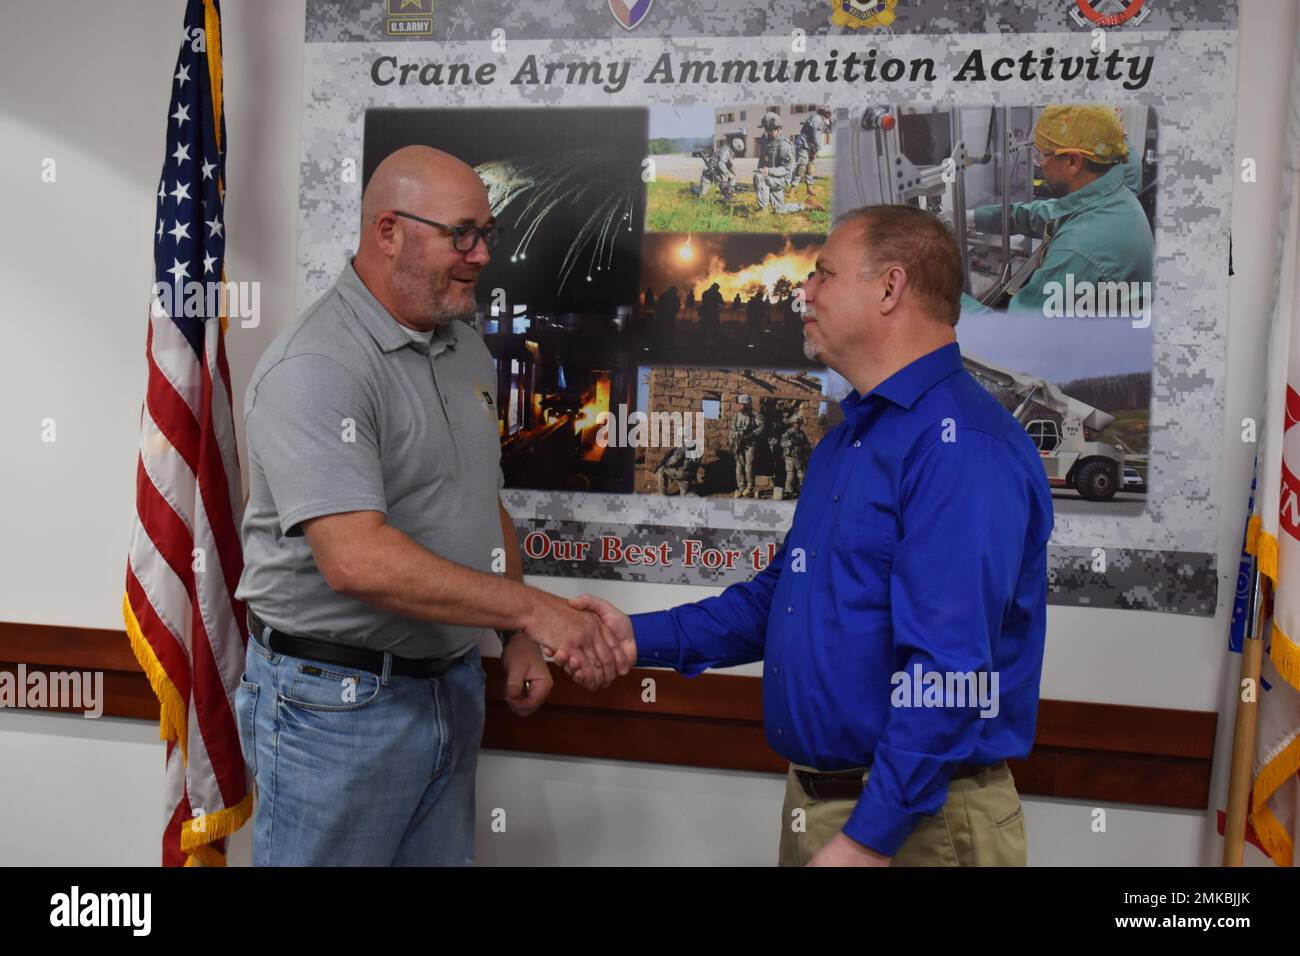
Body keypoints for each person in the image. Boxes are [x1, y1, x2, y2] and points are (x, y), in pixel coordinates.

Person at [572, 205, 1053, 867]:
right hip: (827, 806)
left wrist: (868, 838)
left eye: (824, 274)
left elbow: (949, 673)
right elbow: (782, 601)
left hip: (915, 823)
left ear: (890, 288)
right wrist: (633, 637)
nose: (805, 290)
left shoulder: (959, 445)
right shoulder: (850, 437)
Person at [234, 145, 630, 867]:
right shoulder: (317, 367)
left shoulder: (466, 348)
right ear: (389, 231)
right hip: (337, 704)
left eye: (486, 233)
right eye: (462, 234)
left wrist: (510, 636)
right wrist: (529, 612)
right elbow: (354, 558)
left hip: (449, 687)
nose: (482, 255)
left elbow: (479, 503)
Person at [965, 103, 1154, 314]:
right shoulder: (1114, 198)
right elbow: (1046, 214)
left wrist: (943, 299)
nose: (1039, 164)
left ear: (1073, 161)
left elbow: (1012, 335)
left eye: (1041, 155)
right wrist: (972, 217)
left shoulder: (1078, 251)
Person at [753, 112, 823, 215]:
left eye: (773, 129)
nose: (770, 132)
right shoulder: (766, 141)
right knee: (779, 209)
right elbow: (763, 160)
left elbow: (787, 169)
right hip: (771, 178)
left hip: (781, 179)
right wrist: (762, 170)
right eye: (768, 130)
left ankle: (763, 209)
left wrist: (769, 171)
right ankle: (807, 205)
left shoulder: (784, 145)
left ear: (779, 128)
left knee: (759, 177)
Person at [793, 106, 833, 196]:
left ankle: (809, 188)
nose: (829, 114)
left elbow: (829, 131)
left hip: (811, 145)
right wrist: (815, 150)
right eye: (829, 113)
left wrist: (832, 120)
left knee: (810, 167)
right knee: (802, 166)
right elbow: (815, 137)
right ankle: (792, 188)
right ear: (824, 112)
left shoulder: (822, 121)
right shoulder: (816, 119)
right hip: (804, 144)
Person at [727, 394, 760, 498]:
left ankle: (749, 487)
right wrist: (731, 444)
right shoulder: (737, 416)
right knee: (739, 466)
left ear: (747, 404)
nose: (740, 406)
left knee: (748, 466)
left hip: (750, 444)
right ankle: (741, 486)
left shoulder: (755, 415)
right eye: (739, 404)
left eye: (741, 404)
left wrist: (751, 434)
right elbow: (732, 430)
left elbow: (762, 427)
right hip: (739, 443)